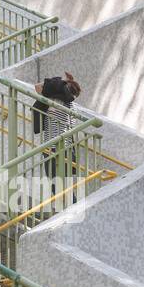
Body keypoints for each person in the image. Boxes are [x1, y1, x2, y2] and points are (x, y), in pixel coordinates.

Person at [33, 71, 82, 204]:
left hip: (53, 148)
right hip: (67, 149)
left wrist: (59, 81)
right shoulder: (72, 106)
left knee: (57, 185)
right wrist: (62, 83)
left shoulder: (55, 102)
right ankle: (72, 208)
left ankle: (71, 209)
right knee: (63, 186)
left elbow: (37, 87)